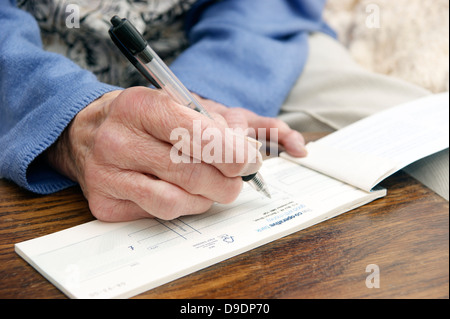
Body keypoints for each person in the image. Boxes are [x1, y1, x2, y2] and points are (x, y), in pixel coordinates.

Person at [1, 0, 447, 223]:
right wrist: (68, 122)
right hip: (26, 76)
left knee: (430, 146)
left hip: (248, 47)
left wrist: (206, 96)